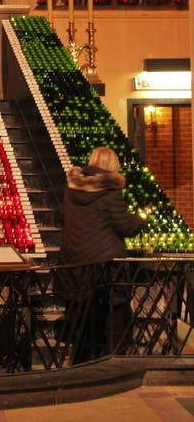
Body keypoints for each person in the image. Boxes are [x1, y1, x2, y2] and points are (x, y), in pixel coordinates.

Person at [60, 146, 147, 361]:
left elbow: (62, 218)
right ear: (112, 166)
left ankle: (82, 358)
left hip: (76, 263)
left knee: (85, 315)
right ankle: (114, 355)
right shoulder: (111, 192)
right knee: (115, 310)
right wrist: (142, 217)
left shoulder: (71, 190)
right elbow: (125, 227)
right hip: (106, 266)